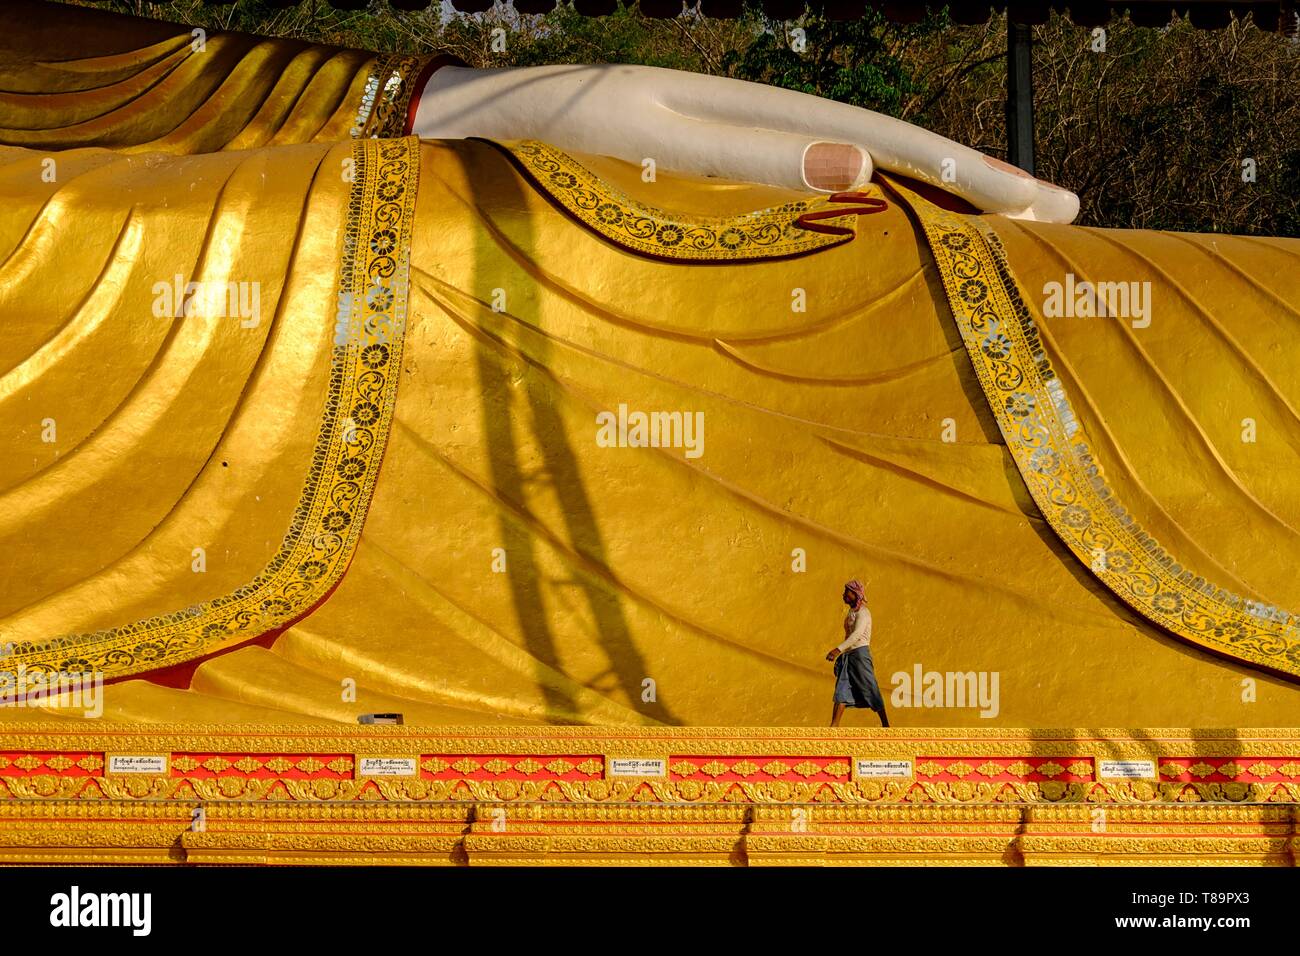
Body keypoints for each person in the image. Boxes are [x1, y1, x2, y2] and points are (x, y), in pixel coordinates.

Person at [826, 580, 888, 728]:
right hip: (849, 655)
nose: (844, 595)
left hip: (860, 654)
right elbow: (849, 636)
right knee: (842, 688)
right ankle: (834, 726)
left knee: (869, 686)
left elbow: (857, 635)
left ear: (855, 594)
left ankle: (886, 725)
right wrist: (843, 653)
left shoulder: (864, 613)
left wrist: (838, 650)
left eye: (846, 592)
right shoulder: (851, 612)